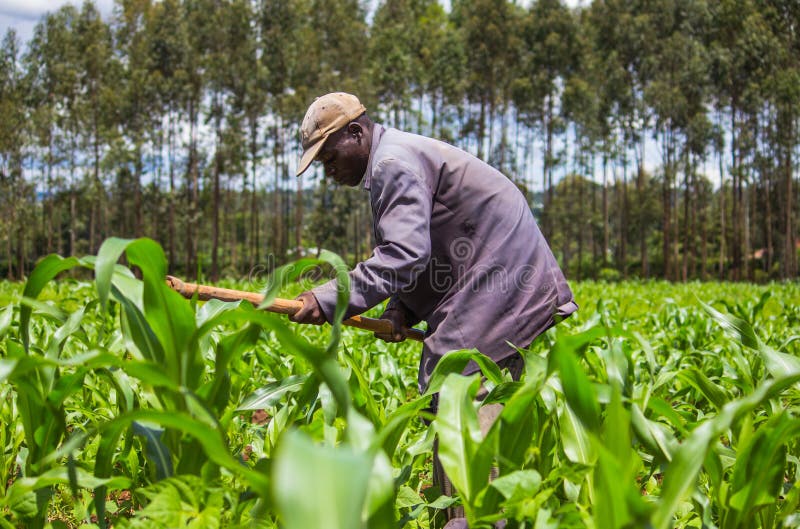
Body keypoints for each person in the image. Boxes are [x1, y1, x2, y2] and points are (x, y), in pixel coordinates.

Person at [290, 92, 577, 526]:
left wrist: (328, 299)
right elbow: (430, 247)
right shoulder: (394, 157)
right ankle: (470, 514)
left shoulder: (392, 164)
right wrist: (400, 310)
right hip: (489, 275)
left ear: (356, 132)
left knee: (460, 386)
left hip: (501, 276)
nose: (328, 172)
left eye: (329, 157)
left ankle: (475, 517)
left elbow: (404, 254)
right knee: (456, 387)